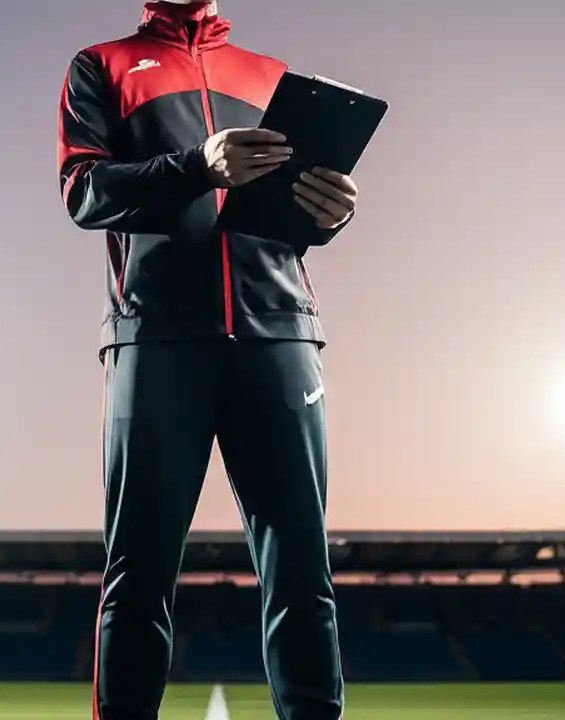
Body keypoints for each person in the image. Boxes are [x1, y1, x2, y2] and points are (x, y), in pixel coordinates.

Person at [56, 2, 358, 718]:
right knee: (139, 572)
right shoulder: (101, 65)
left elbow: (293, 221)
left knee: (302, 573)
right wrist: (196, 165)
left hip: (281, 336)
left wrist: (331, 212)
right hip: (157, 339)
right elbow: (83, 193)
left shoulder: (271, 76)